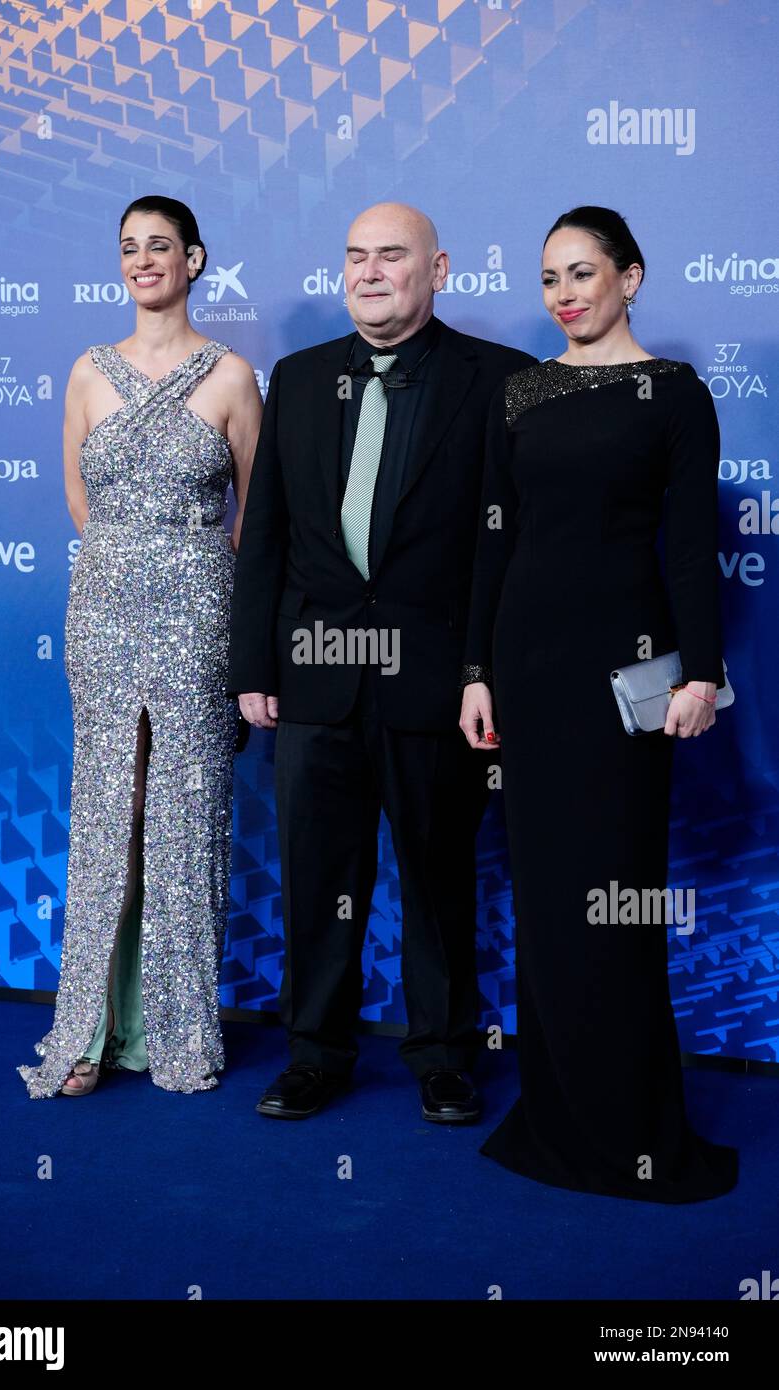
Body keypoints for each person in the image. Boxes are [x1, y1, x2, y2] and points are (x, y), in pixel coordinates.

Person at [227, 202, 536, 1122]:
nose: (369, 271)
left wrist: (483, 671)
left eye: (391, 256)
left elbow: (504, 550)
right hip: (317, 673)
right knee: (321, 879)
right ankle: (317, 1054)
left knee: (440, 878)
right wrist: (255, 666)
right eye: (355, 256)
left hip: (434, 682)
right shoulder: (299, 375)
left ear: (438, 269)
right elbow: (267, 538)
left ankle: (444, 1056)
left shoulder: (499, 380)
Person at [459, 205, 738, 1201]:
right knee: (543, 899)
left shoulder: (672, 394)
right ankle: (558, 1119)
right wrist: (473, 672)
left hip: (626, 682)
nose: (564, 294)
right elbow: (493, 539)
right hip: (525, 674)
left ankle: (630, 1130)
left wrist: (698, 671)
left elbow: (687, 548)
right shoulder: (520, 393)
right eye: (547, 278)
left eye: (582, 273)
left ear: (630, 276)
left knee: (612, 897)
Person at [18, 195, 262, 1098]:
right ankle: (87, 1031)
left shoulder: (233, 375)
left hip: (199, 616)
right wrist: (131, 561)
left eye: (161, 246)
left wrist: (193, 575)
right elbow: (81, 505)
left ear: (195, 260)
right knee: (106, 816)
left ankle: (178, 1035)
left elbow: (256, 518)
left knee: (187, 819)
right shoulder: (85, 371)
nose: (144, 260)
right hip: (105, 611)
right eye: (130, 248)